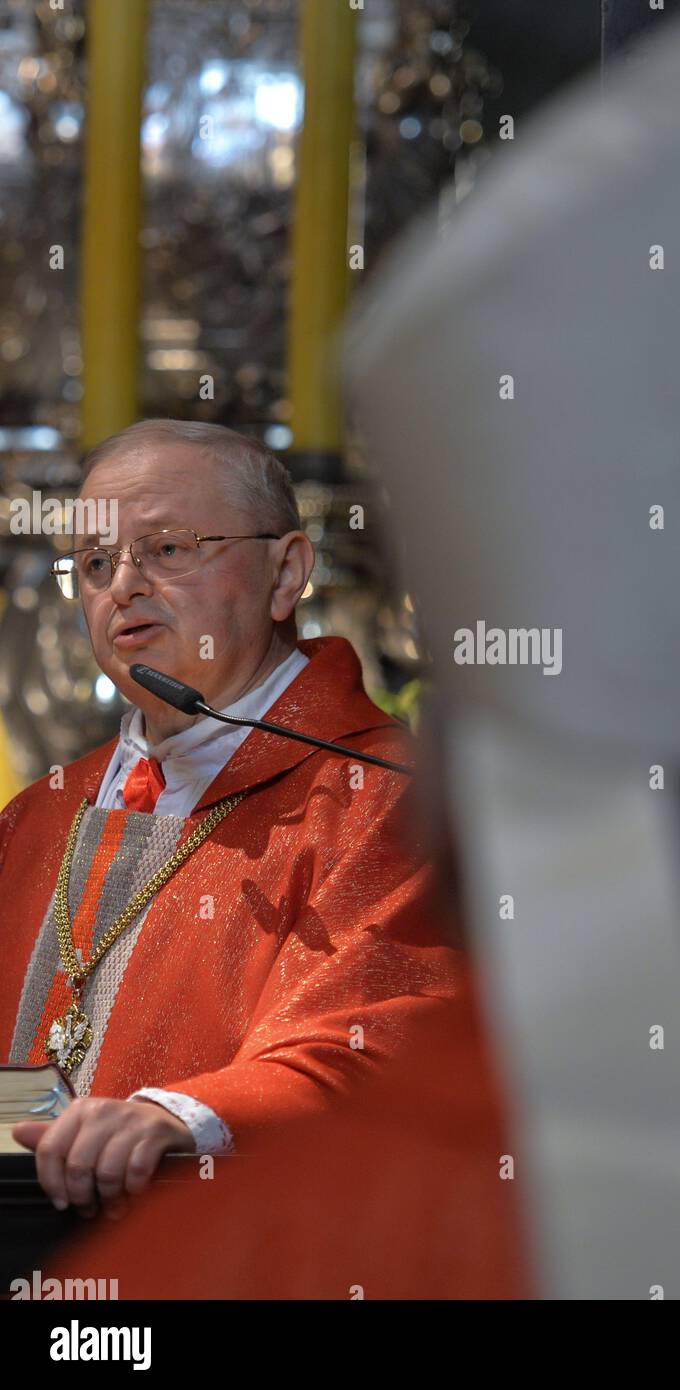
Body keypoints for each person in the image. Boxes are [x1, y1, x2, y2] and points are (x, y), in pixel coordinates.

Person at [0, 418, 462, 1220]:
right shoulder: (40, 812)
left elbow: (378, 1039)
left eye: (169, 549)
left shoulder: (383, 798)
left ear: (287, 573)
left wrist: (174, 1117)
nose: (124, 586)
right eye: (97, 563)